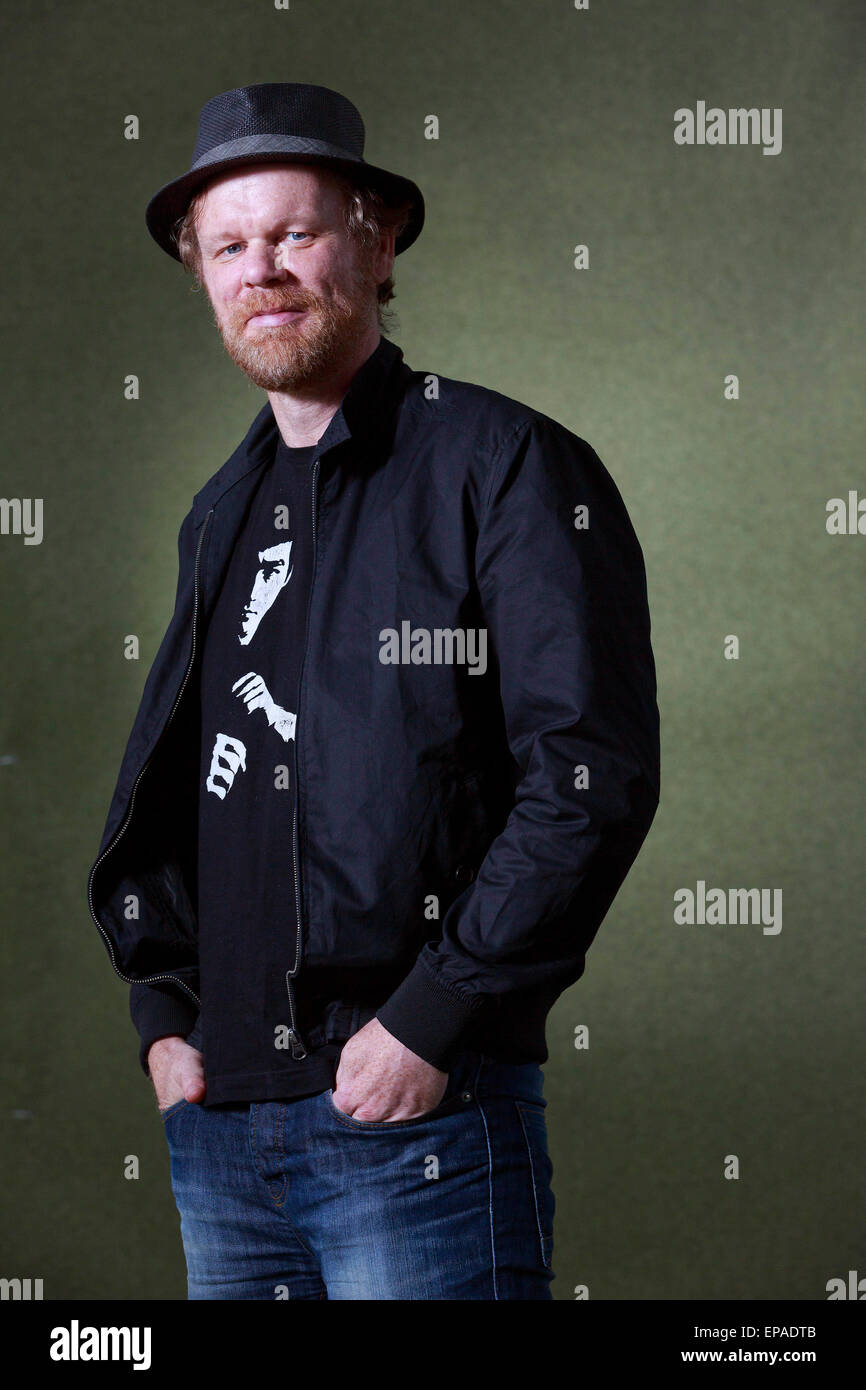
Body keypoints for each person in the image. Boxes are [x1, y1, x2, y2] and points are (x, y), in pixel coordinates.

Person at [87, 82, 661, 1300]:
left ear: (375, 235)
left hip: (416, 1127)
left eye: (294, 233)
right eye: (229, 246)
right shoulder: (219, 513)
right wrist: (164, 1015)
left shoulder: (501, 464)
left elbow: (586, 775)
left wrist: (430, 1018)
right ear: (199, 271)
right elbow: (193, 778)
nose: (262, 272)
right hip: (220, 1133)